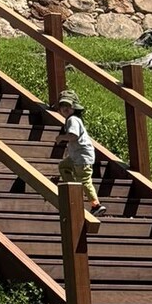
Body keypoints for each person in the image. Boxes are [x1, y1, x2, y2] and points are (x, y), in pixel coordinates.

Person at [54, 88, 106, 217]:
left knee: (85, 180)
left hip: (82, 157)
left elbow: (73, 136)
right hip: (76, 156)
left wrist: (61, 138)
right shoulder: (72, 120)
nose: (65, 109)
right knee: (64, 166)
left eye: (68, 106)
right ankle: (73, 190)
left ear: (74, 108)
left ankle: (96, 205)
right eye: (62, 106)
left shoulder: (73, 120)